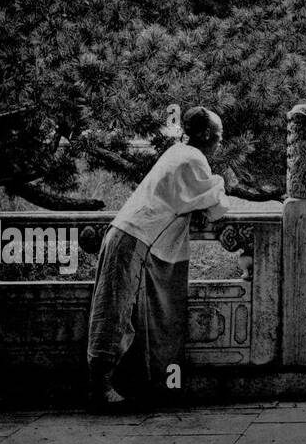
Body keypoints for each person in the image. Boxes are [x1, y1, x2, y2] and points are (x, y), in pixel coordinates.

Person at [86, 107, 231, 410]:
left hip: (131, 234)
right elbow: (215, 205)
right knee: (116, 312)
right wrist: (220, 182)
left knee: (122, 310)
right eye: (219, 134)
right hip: (133, 238)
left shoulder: (177, 152)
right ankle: (100, 389)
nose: (221, 140)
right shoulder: (192, 158)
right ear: (205, 134)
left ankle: (117, 386)